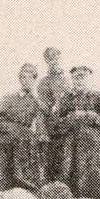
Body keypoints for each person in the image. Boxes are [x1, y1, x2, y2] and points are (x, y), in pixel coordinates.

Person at [56, 66, 100, 199]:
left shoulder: (95, 96)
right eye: (76, 77)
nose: (79, 80)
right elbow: (56, 122)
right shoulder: (66, 98)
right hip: (73, 142)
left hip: (94, 143)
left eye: (83, 77)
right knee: (71, 173)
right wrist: (71, 118)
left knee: (95, 175)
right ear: (72, 79)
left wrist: (90, 116)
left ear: (88, 79)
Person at [0, 63, 48, 192]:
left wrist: (40, 135)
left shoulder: (35, 100)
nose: (26, 81)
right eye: (23, 77)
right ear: (20, 79)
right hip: (7, 138)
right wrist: (11, 128)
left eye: (30, 78)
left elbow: (43, 117)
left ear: (34, 80)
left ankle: (28, 189)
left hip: (25, 140)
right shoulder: (9, 98)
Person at [37, 47, 70, 181]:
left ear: (60, 59)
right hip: (50, 129)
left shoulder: (68, 81)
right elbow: (41, 109)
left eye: (56, 58)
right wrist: (42, 131)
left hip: (67, 128)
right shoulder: (43, 83)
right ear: (46, 61)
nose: (54, 61)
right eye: (50, 59)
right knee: (50, 164)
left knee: (66, 164)